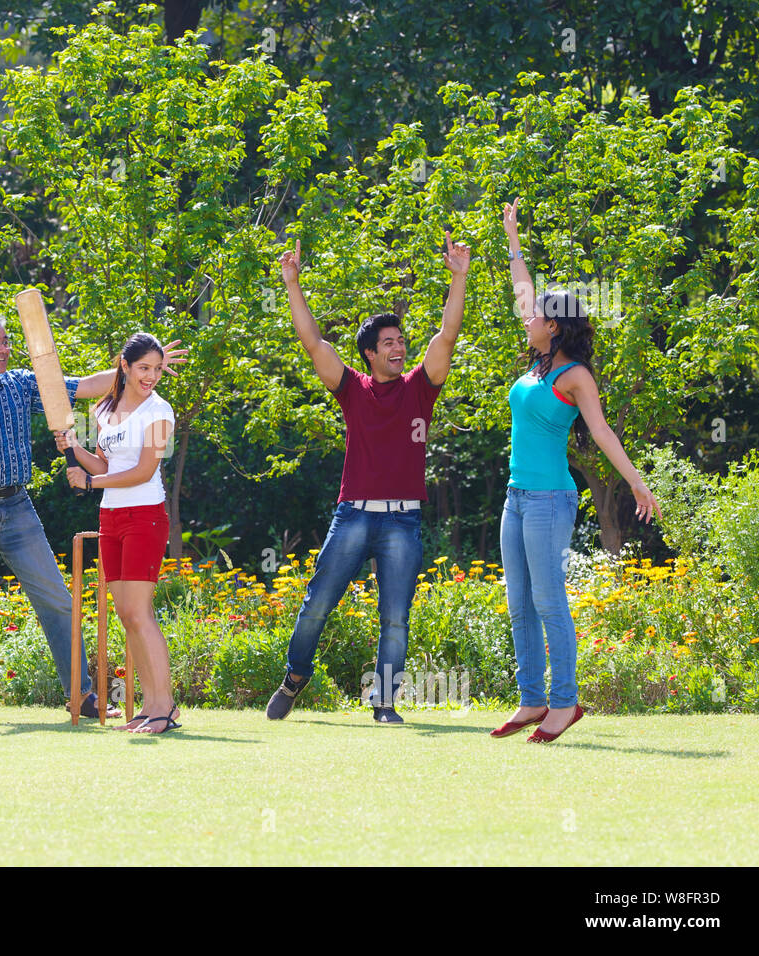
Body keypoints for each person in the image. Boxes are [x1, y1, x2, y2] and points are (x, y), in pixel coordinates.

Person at [0, 315, 185, 721]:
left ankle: (83, 696)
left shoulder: (22, 383)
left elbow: (83, 386)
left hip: (17, 508)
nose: (3, 348)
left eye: (6, 340)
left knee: (59, 602)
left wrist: (135, 366)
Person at [266, 235, 471, 724]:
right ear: (370, 354)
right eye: (389, 344)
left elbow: (446, 337)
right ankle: (296, 675)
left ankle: (384, 702)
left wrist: (458, 277)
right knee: (317, 605)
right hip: (354, 515)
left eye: (402, 341)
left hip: (403, 521)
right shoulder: (353, 391)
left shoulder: (421, 388)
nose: (400, 348)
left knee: (395, 620)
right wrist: (292, 284)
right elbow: (313, 342)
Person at [490, 198, 659, 743]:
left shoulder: (574, 375)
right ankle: (532, 701)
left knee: (547, 601)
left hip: (549, 500)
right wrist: (513, 237)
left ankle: (565, 703)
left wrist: (635, 481)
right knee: (518, 603)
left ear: (555, 327)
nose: (528, 318)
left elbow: (604, 432)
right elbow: (521, 287)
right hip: (516, 497)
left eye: (537, 315)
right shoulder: (538, 362)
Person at [55, 333, 179, 733]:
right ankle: (150, 705)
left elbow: (143, 472)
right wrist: (74, 447)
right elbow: (103, 464)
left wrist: (92, 484)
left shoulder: (161, 412)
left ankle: (165, 707)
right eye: (144, 368)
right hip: (111, 518)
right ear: (123, 366)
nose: (152, 376)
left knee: (140, 613)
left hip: (146, 516)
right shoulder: (104, 408)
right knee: (127, 616)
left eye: (157, 369)